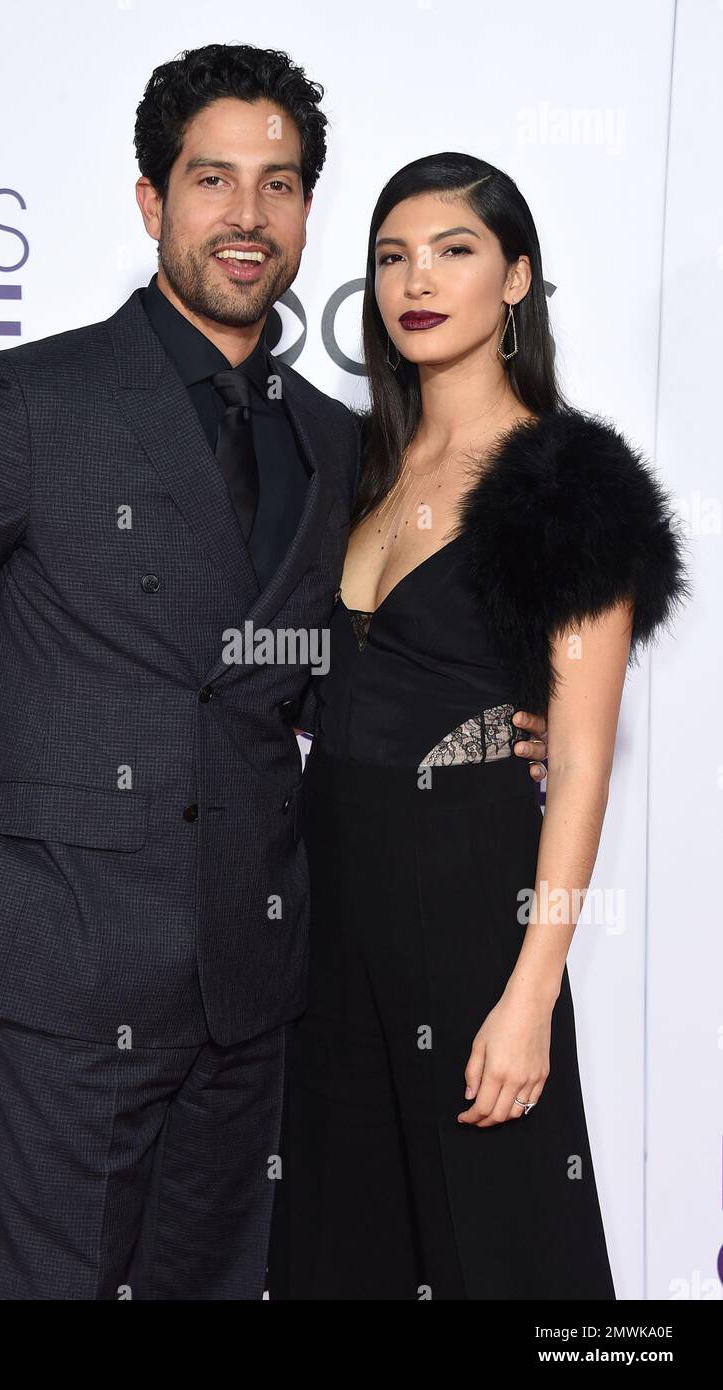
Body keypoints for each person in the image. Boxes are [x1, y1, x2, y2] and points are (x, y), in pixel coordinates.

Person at [0, 54, 547, 1300]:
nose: (247, 215)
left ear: (307, 216)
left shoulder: (334, 441)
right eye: (213, 180)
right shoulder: (31, 399)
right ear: (153, 202)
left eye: (279, 185)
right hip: (64, 970)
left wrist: (477, 729)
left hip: (255, 983)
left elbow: (310, 676)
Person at [267, 152, 688, 1300]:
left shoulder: (569, 479)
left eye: (455, 250)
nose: (418, 278)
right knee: (337, 1245)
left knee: (501, 1244)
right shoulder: (353, 464)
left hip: (469, 907)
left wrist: (531, 991)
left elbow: (585, 760)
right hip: (331, 910)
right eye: (394, 256)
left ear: (516, 280)